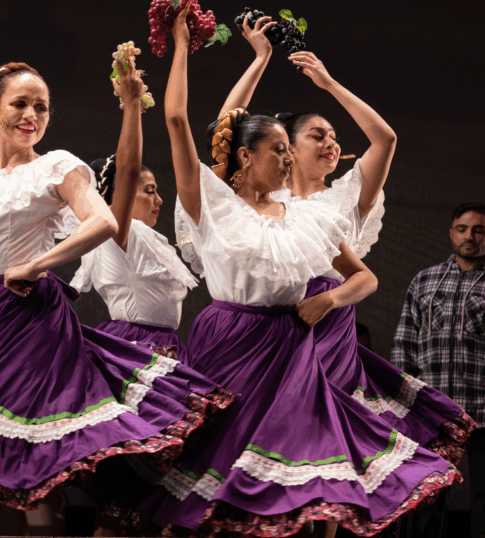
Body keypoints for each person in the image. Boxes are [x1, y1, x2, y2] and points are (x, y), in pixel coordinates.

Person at [133, 6, 462, 537]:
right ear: (246, 157)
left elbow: (361, 275)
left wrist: (327, 300)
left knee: (294, 470)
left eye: (291, 150)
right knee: (220, 471)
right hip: (229, 337)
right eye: (279, 149)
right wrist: (186, 47)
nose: (288, 159)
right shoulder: (215, 205)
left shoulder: (308, 216)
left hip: (291, 342)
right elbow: (184, 121)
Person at [0, 13, 231, 534]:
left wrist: (38, 264)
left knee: (34, 454)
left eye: (41, 107)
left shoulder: (55, 165)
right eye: (20, 103)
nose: (31, 114)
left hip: (28, 315)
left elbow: (102, 221)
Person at [210, 13, 473, 465]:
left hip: (328, 320)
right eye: (318, 135)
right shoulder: (266, 197)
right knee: (266, 438)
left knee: (327, 440)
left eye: (335, 137)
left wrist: (328, 83)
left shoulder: (346, 197)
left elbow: (385, 139)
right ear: (287, 147)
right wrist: (261, 59)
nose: (332, 143)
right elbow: (225, 133)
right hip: (273, 320)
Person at [70, 55, 197, 359]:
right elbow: (128, 171)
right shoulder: (115, 233)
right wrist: (132, 105)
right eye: (149, 191)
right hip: (136, 344)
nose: (159, 200)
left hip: (164, 343)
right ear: (118, 197)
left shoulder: (138, 238)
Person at [392, 202, 485, 538]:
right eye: (462, 229)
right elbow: (405, 343)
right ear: (451, 233)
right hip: (434, 410)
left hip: (483, 407)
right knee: (428, 494)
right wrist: (401, 403)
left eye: (479, 230)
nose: (470, 236)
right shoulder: (425, 280)